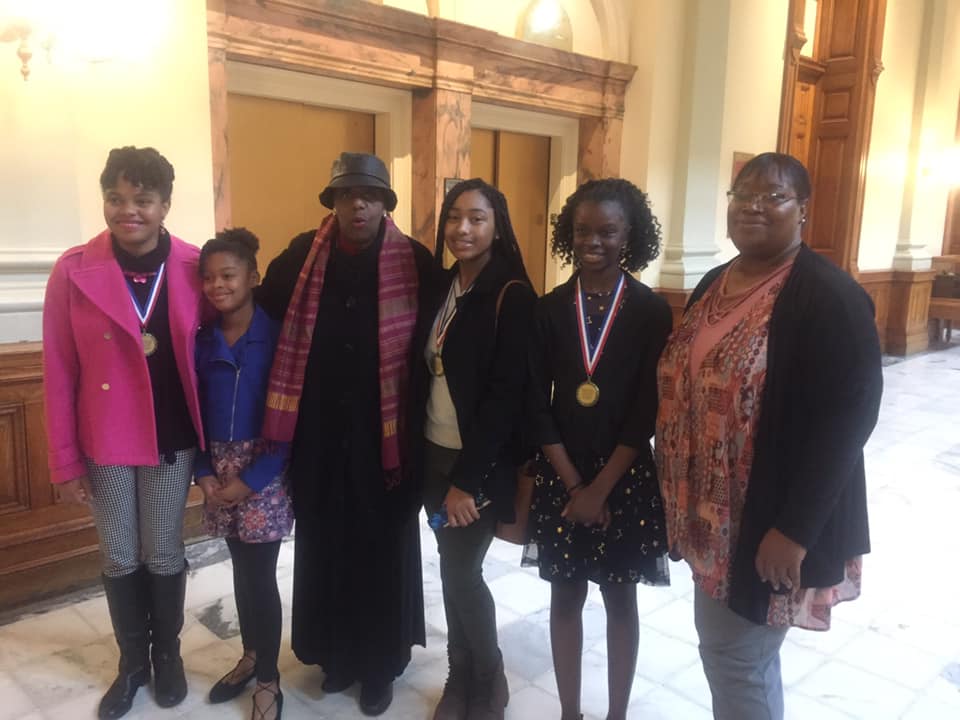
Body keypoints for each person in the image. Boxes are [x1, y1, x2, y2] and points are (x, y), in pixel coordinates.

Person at [656, 152, 883, 720]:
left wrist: (795, 529)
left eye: (773, 196)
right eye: (742, 194)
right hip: (711, 512)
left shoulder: (830, 297)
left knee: (736, 658)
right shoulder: (714, 280)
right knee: (736, 655)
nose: (753, 206)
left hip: (767, 520)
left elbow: (849, 421)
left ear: (803, 210)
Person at [255, 152, 432, 716]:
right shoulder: (300, 258)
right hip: (321, 439)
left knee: (382, 552)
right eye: (347, 194)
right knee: (325, 546)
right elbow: (259, 312)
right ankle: (334, 656)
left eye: (370, 195)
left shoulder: (417, 262)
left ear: (385, 204)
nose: (359, 204)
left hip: (390, 442)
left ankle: (379, 665)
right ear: (332, 202)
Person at [42, 146, 204, 719]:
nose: (127, 210)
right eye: (116, 197)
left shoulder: (191, 263)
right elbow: (58, 370)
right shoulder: (73, 268)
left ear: (165, 205)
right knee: (119, 554)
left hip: (170, 437)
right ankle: (132, 663)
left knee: (163, 551)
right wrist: (64, 462)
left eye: (142, 200)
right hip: (105, 440)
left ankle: (170, 658)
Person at [525, 178, 672, 720]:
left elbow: (645, 411)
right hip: (562, 470)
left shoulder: (651, 311)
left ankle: (616, 715)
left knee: (619, 598)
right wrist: (573, 486)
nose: (594, 241)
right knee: (564, 596)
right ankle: (570, 712)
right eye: (583, 230)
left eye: (608, 231)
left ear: (628, 234)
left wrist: (600, 489)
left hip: (624, 474)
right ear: (569, 234)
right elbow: (535, 405)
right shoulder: (547, 310)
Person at [420, 179, 536, 720]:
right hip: (432, 454)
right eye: (453, 218)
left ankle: (486, 677)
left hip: (476, 465)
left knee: (462, 572)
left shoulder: (511, 293)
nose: (462, 229)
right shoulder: (443, 286)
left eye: (477, 218)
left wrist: (468, 480)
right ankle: (461, 673)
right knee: (450, 568)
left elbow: (504, 397)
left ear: (497, 225)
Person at [194, 228, 294, 720]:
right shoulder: (200, 339)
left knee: (260, 577)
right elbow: (188, 413)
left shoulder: (277, 337)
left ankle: (270, 682)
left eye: (228, 275)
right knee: (239, 570)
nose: (218, 285)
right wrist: (203, 473)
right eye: (208, 278)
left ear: (253, 277)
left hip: (264, 470)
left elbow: (291, 420)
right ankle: (250, 656)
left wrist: (252, 480)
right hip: (217, 469)